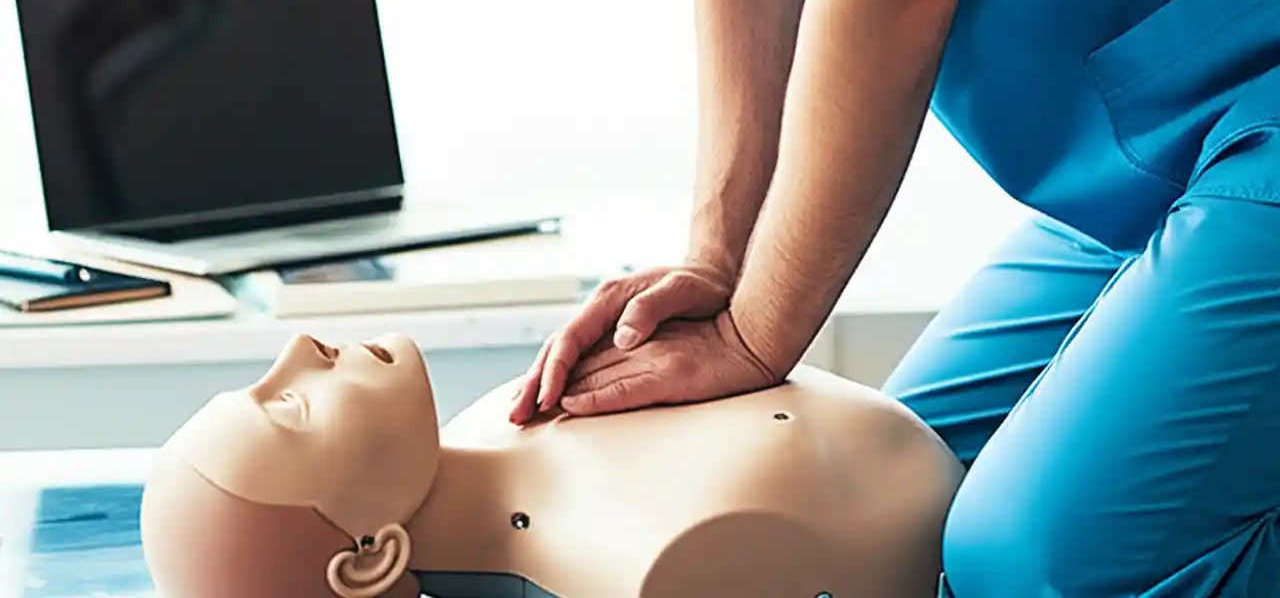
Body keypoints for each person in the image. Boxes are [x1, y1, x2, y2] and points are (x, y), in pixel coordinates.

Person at [509, 0, 1280, 595]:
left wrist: (753, 333)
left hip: (1255, 109)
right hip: (1136, 171)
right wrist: (716, 257)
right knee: (888, 497)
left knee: (1033, 563)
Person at [141, 333, 962, 597]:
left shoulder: (487, 422)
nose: (296, 351)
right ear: (371, 559)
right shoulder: (651, 567)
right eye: (290, 409)